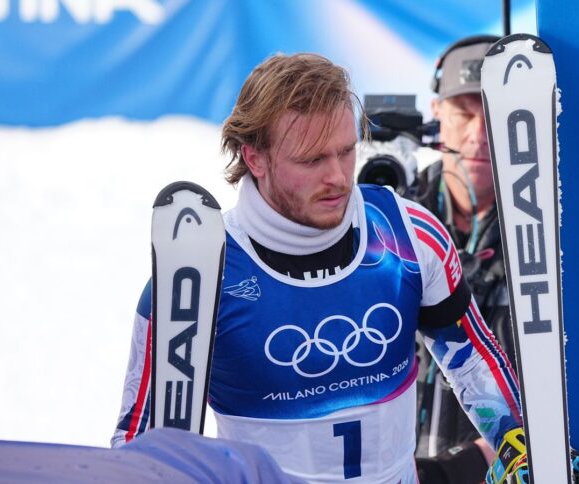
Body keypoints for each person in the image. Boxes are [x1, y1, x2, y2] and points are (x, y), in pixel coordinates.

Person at [111, 52, 523, 483]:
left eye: (346, 152)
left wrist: (521, 450)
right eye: (312, 160)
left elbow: (474, 363)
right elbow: (142, 445)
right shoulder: (199, 278)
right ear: (255, 158)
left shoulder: (408, 235)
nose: (340, 178)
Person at [411, 35, 518, 484]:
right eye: (464, 113)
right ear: (437, 113)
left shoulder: (549, 233)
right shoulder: (394, 222)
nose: (479, 134)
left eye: (492, 113)